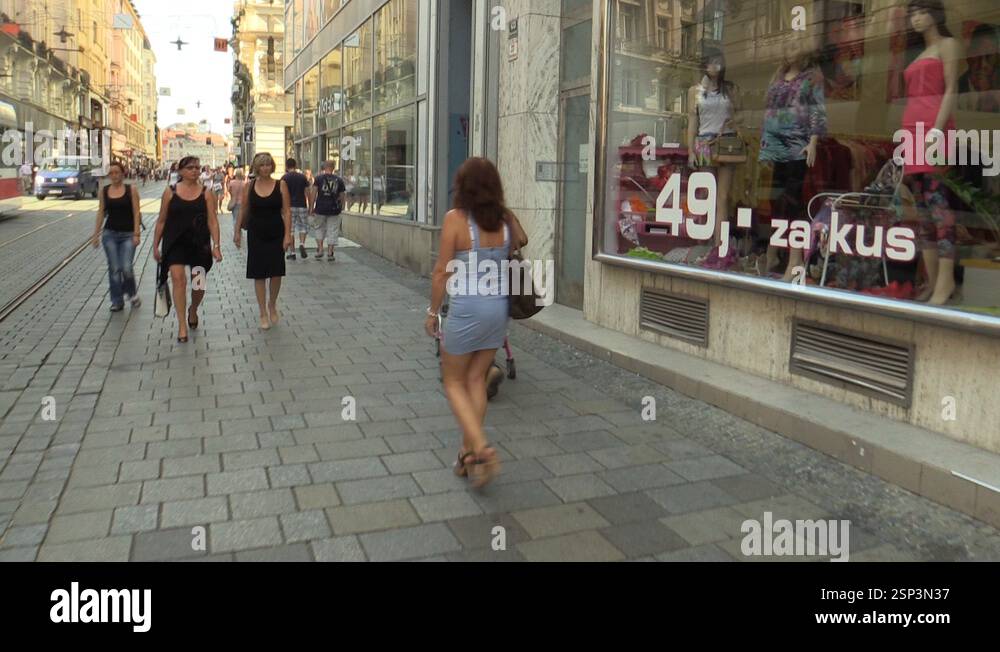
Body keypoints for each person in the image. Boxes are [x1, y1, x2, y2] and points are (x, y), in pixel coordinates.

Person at [424, 157, 528, 488]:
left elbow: (442, 272)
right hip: (497, 312)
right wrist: (504, 213)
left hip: (467, 309)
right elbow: (521, 240)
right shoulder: (505, 219)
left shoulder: (456, 220)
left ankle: (481, 447)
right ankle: (467, 455)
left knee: (452, 382)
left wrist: (432, 312)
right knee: (476, 380)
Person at [153, 156, 223, 343]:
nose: (194, 170)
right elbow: (161, 220)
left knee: (198, 283)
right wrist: (155, 245)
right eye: (190, 167)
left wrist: (216, 245)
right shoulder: (170, 192)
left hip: (199, 244)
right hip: (175, 242)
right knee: (178, 279)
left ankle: (193, 309)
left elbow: (212, 220)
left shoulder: (206, 193)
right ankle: (182, 324)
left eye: (197, 168)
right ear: (181, 171)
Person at [687, 47, 744, 268]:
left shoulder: (730, 90)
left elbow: (741, 114)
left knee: (723, 197)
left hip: (726, 142)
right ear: (704, 64)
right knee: (708, 197)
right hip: (704, 143)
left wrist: (733, 122)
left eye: (719, 61)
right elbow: (693, 121)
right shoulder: (695, 91)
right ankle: (710, 243)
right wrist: (690, 150)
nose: (715, 66)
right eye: (711, 62)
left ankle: (720, 246)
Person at [235, 152, 292, 330]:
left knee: (276, 272)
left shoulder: (280, 185)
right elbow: (243, 209)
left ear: (272, 166)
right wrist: (237, 232)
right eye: (262, 165)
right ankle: (262, 312)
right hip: (256, 233)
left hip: (276, 232)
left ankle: (272, 303)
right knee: (258, 273)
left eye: (268, 164)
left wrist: (288, 235)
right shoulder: (249, 186)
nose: (265, 168)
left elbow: (287, 211)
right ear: (256, 167)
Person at [91, 162, 142, 312]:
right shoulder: (104, 191)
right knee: (114, 268)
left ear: (122, 173)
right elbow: (101, 212)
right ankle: (117, 300)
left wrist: (136, 233)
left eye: (117, 172)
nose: (114, 176)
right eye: (111, 173)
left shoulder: (131, 189)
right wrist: (96, 234)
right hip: (110, 234)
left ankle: (132, 293)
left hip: (128, 234)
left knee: (126, 267)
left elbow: (136, 212)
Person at [309, 160, 346, 260]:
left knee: (319, 228)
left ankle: (320, 249)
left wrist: (311, 207)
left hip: (321, 208)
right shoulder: (339, 180)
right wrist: (342, 206)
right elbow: (342, 195)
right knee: (333, 230)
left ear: (324, 167)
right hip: (334, 209)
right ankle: (330, 252)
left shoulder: (318, 178)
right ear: (333, 168)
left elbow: (313, 193)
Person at [282, 158, 311, 260]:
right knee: (303, 227)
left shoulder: (284, 178)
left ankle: (292, 252)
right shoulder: (302, 177)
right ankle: (302, 244)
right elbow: (308, 192)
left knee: (290, 229)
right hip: (302, 205)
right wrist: (311, 206)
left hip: (289, 206)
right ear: (295, 165)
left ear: (286, 166)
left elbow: (281, 194)